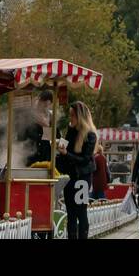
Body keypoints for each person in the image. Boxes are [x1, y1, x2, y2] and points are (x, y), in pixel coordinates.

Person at [54, 100, 98, 240]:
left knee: (81, 211)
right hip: (70, 177)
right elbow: (65, 150)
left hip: (83, 178)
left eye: (72, 115)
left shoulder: (90, 135)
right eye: (70, 115)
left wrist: (67, 153)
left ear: (80, 117)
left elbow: (85, 159)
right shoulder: (71, 131)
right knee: (70, 212)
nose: (70, 118)